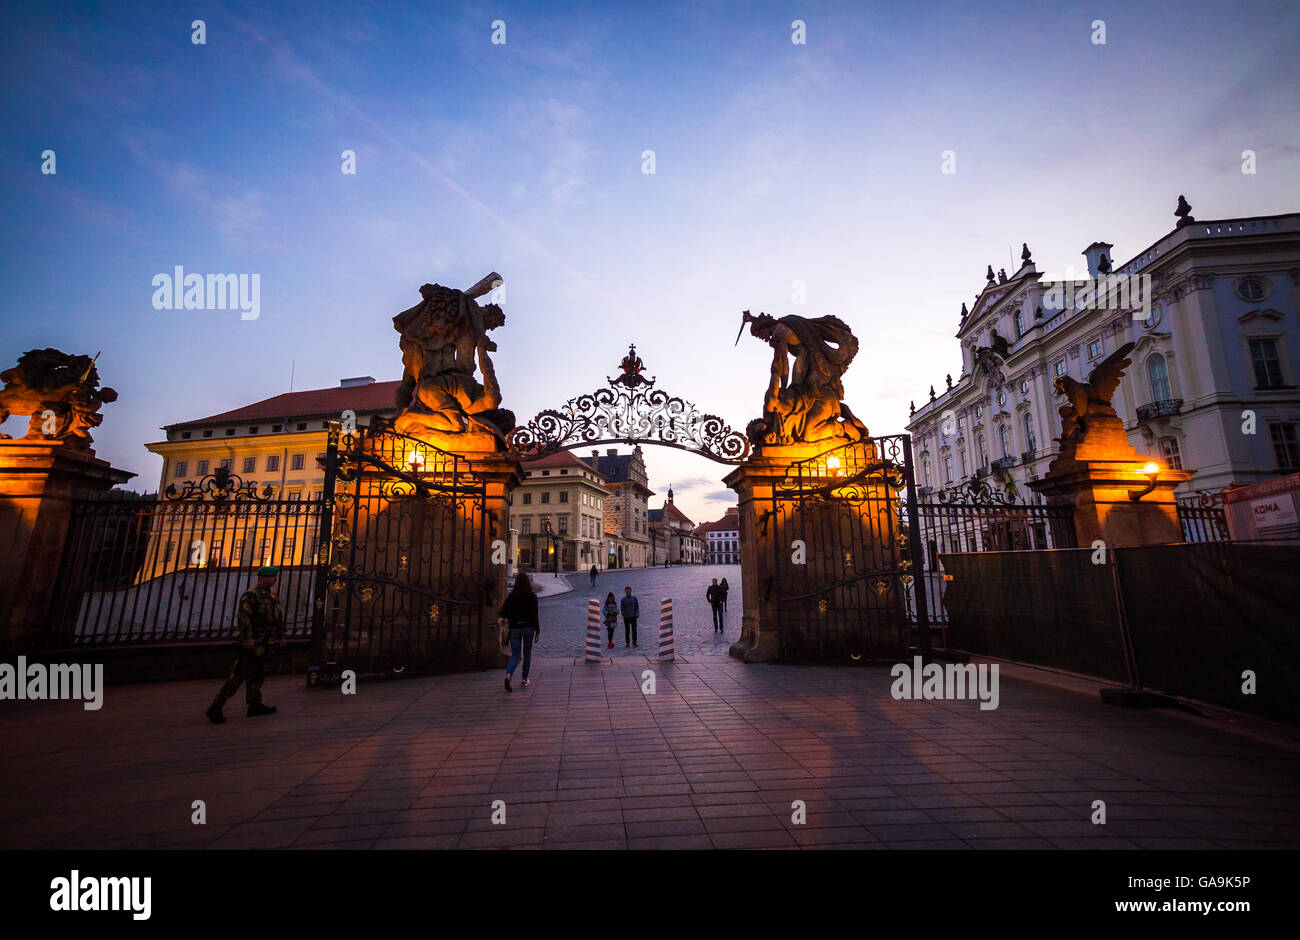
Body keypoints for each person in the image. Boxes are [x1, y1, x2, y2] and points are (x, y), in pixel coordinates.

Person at [206, 566, 285, 723]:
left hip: (265, 642)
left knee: (258, 674)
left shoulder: (272, 596)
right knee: (237, 676)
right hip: (252, 644)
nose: (275, 579)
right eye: (272, 577)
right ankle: (216, 707)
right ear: (262, 578)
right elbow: (244, 619)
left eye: (275, 576)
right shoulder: (250, 596)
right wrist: (247, 639)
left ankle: (254, 704)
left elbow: (277, 618)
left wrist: (280, 635)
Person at [498, 572, 540, 692]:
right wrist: (537, 631)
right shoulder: (532, 597)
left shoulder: (512, 597)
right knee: (527, 654)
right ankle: (524, 679)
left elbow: (503, 612)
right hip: (528, 629)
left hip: (515, 629)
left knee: (515, 655)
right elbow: (534, 615)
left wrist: (502, 619)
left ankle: (508, 675)